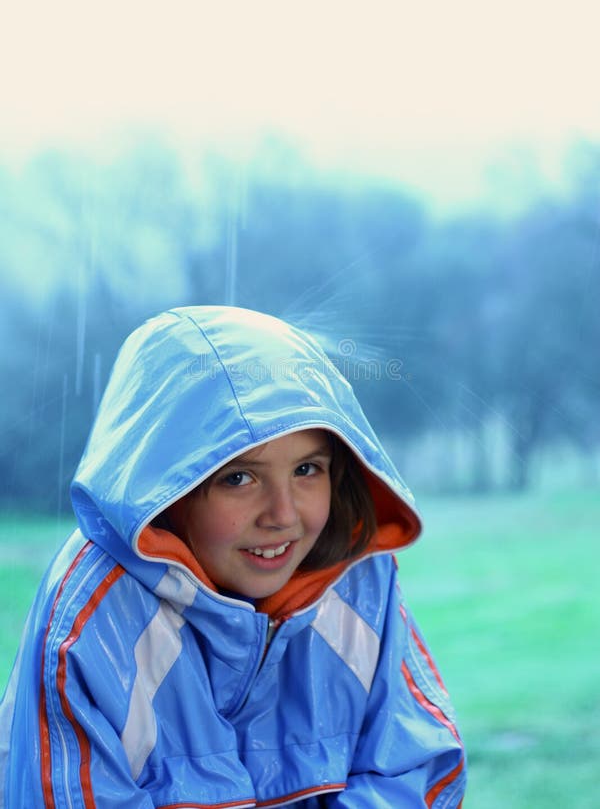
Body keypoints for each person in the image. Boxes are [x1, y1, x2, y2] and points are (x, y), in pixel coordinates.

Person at [0, 306, 466, 807]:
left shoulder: (357, 579)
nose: (283, 515)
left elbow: (414, 767)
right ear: (165, 486)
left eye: (308, 469)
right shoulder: (93, 624)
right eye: (239, 478)